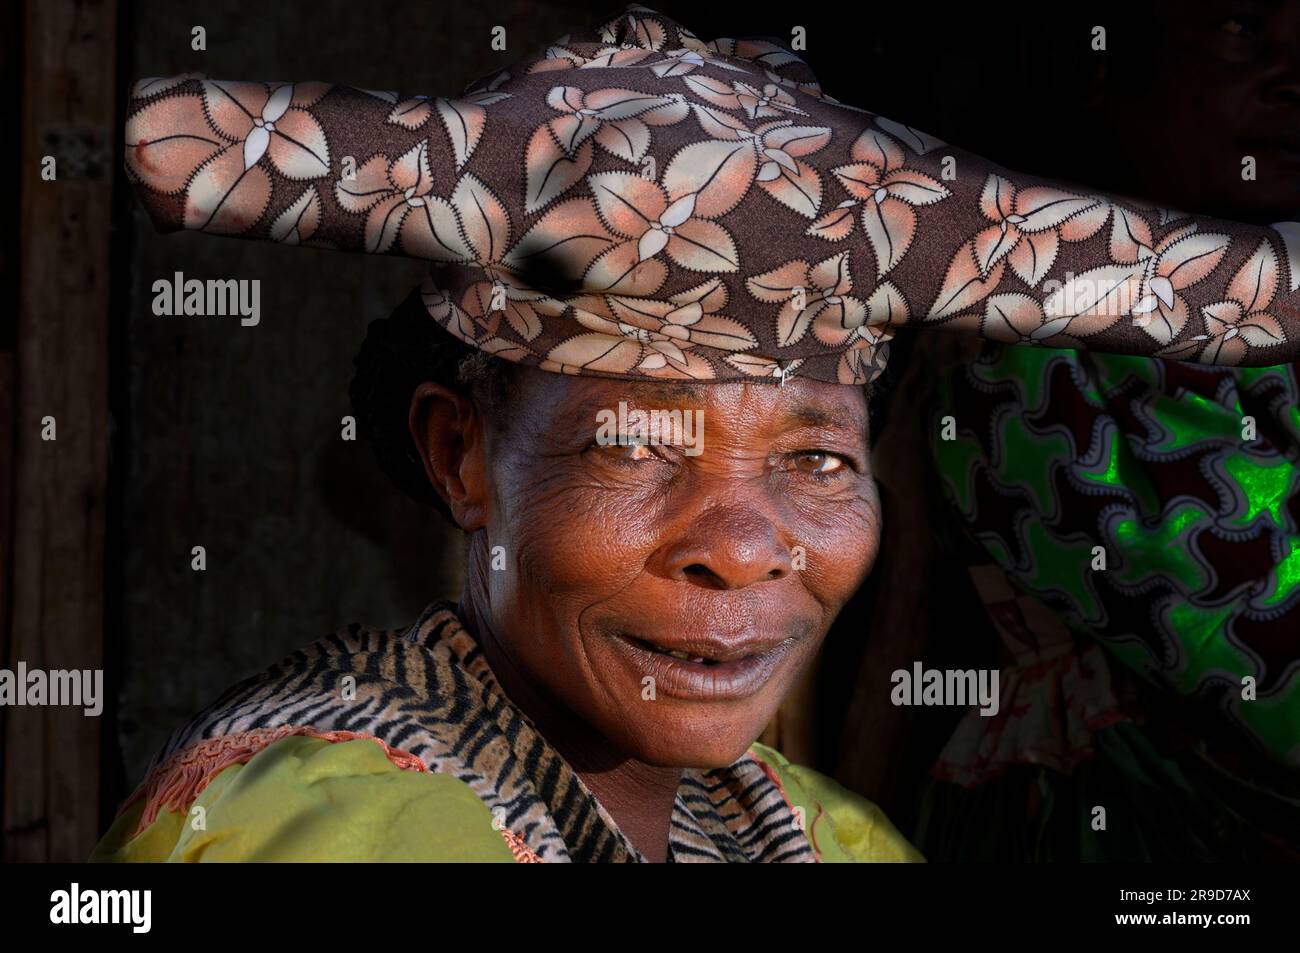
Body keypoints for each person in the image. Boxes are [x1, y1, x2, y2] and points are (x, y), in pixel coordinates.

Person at [92, 4, 1300, 862]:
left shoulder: (829, 836)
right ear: (460, 454)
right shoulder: (309, 830)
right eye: (633, 444)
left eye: (814, 459)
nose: (741, 543)